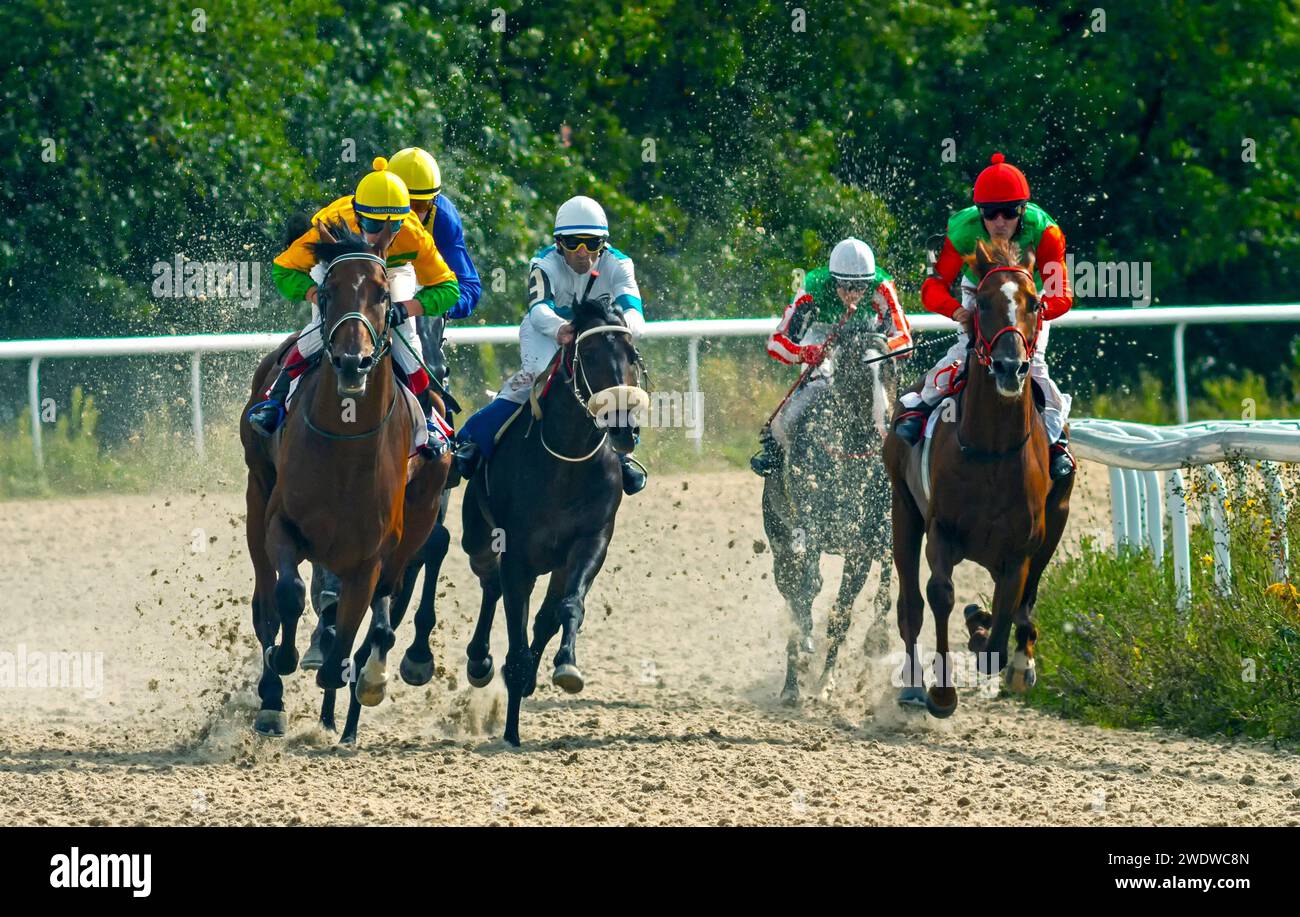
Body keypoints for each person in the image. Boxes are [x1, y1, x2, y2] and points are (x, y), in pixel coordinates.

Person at [246, 157, 460, 457]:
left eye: (392, 225)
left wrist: (407, 308)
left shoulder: (413, 233)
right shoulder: (333, 220)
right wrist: (315, 295)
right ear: (358, 215)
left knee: (405, 339)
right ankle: (275, 400)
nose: (381, 234)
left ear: (404, 218)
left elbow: (449, 288)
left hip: (390, 271)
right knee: (322, 331)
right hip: (338, 267)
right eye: (372, 224)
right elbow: (282, 269)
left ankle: (427, 422)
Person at [894, 152, 1076, 479]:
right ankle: (920, 407)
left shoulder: (1046, 232)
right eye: (991, 214)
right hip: (980, 289)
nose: (1001, 222)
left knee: (1034, 365)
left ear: (1023, 211)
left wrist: (1036, 310)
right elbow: (933, 287)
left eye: (1011, 212)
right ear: (980, 213)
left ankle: (1055, 440)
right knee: (963, 357)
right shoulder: (962, 231)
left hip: (1026, 297)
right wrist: (958, 310)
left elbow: (1061, 291)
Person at [452, 195, 648, 495]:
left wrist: (619, 330)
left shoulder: (620, 264)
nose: (583, 254)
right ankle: (472, 440)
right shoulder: (542, 263)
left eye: (592, 244)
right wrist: (562, 329)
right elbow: (539, 309)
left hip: (596, 335)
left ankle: (622, 455)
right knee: (535, 382)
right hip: (548, 332)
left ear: (603, 244)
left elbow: (635, 313)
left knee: (613, 382)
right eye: (573, 243)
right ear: (558, 243)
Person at [750, 237, 913, 476]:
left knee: (875, 370)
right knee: (819, 382)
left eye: (860, 287)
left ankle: (893, 439)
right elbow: (776, 342)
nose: (854, 294)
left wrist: (883, 346)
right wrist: (804, 353)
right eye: (846, 286)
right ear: (833, 279)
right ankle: (776, 445)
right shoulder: (812, 287)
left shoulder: (882, 285)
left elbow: (905, 340)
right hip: (821, 337)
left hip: (868, 338)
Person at [388, 146, 481, 397]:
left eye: (423, 204)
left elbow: (469, 288)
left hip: (414, 298)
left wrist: (435, 305)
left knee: (424, 329)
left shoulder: (443, 218)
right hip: (368, 284)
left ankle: (435, 414)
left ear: (434, 200)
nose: (415, 215)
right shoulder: (368, 204)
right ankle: (281, 394)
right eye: (407, 205)